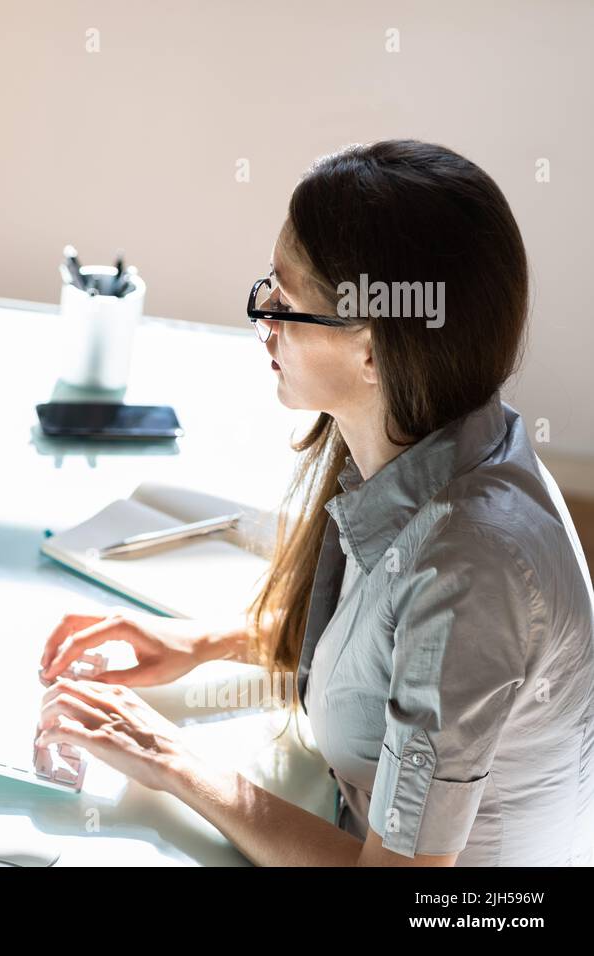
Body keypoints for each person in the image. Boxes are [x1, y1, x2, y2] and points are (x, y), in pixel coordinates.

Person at [37, 140, 594, 866]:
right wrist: (204, 641)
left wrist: (165, 756)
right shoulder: (425, 441)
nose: (264, 317)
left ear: (371, 352)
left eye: (286, 300)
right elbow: (383, 649)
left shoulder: (469, 571)